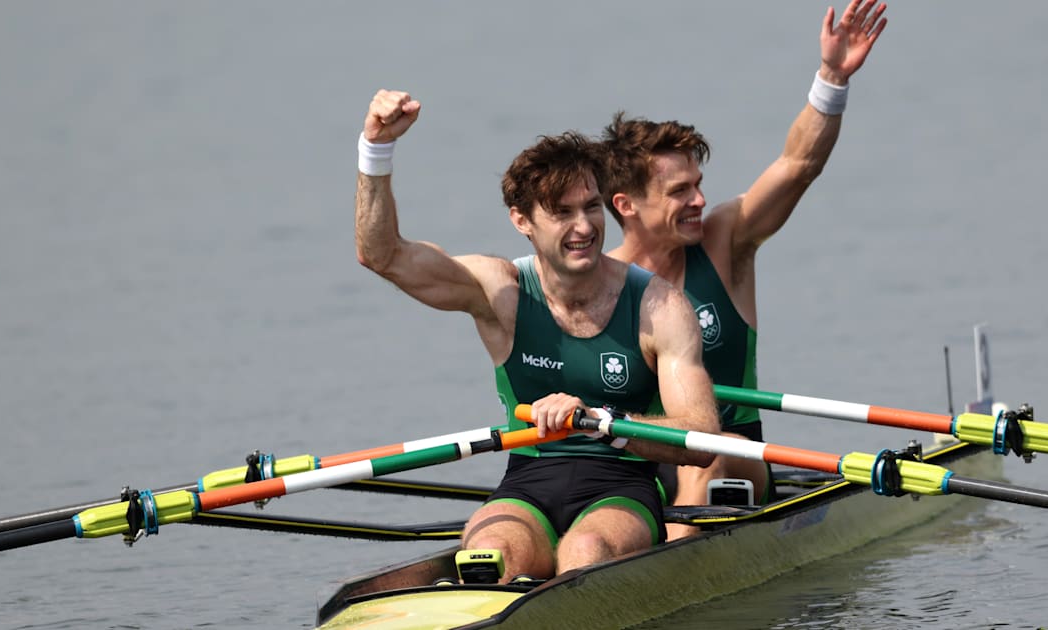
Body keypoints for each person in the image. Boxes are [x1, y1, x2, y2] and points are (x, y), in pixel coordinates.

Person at [354, 89, 720, 581]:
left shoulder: (659, 307)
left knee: (586, 550)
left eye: (591, 207)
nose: (583, 227)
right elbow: (383, 256)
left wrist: (603, 422)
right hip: (528, 482)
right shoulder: (500, 291)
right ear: (521, 220)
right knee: (490, 551)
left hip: (623, 486)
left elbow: (702, 438)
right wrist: (375, 149)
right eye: (562, 213)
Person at [600, 0, 887, 540]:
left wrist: (832, 78)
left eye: (698, 184)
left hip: (734, 456)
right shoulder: (594, 280)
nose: (699, 200)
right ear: (626, 205)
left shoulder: (724, 242)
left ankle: (674, 571)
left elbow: (798, 166)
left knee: (707, 454)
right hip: (629, 467)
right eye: (679, 191)